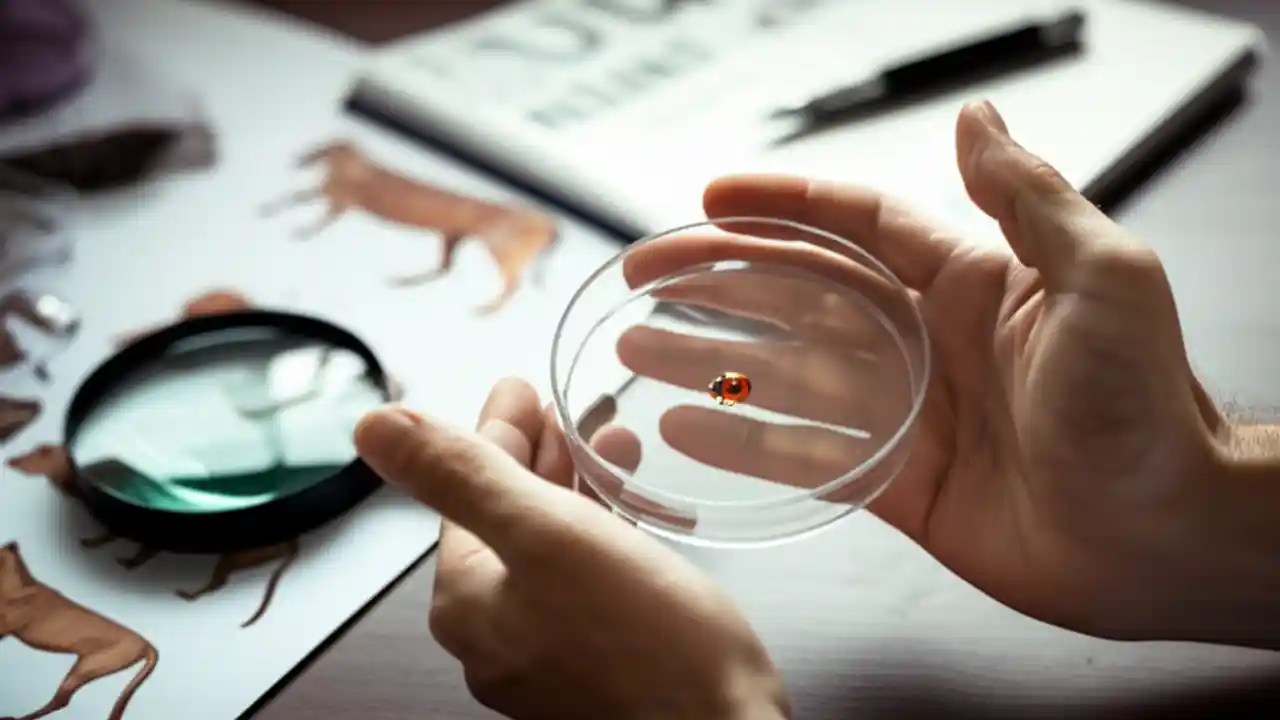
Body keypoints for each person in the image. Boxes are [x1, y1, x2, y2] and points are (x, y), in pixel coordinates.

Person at [352, 100, 1280, 720]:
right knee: (715, 385)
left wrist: (708, 702)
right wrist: (1193, 507)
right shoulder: (748, 388)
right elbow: (731, 387)